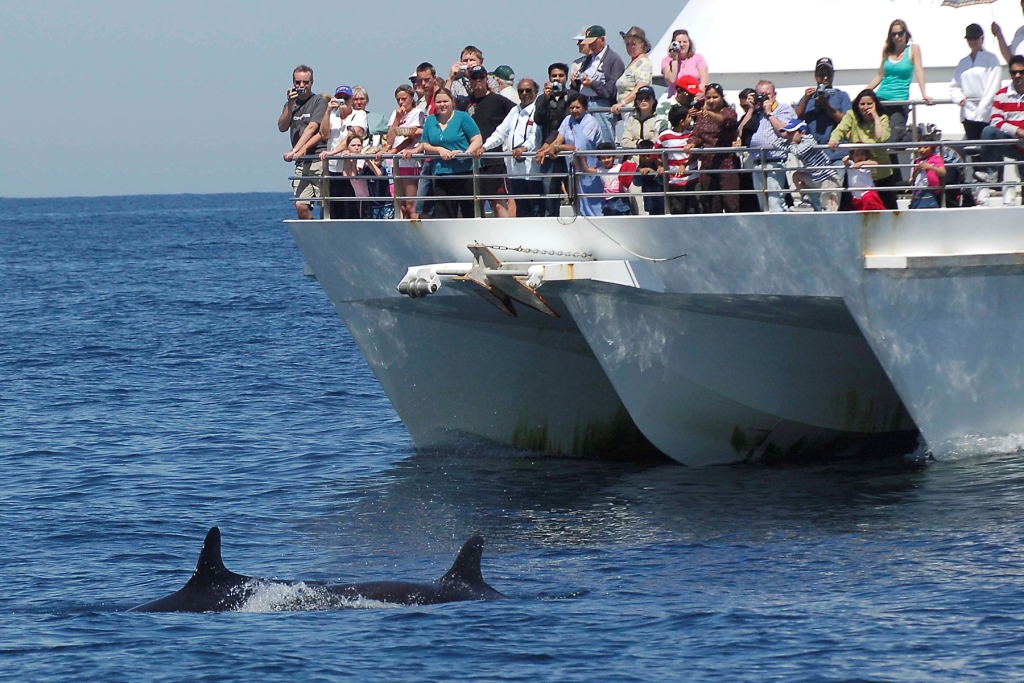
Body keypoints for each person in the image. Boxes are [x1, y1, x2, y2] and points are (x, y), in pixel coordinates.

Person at [867, 18, 933, 183]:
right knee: (880, 140)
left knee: (894, 140)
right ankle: (892, 180)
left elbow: (919, 71)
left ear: (906, 34)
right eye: (894, 34)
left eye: (900, 33)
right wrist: (864, 93)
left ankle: (915, 132)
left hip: (899, 101)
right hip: (881, 99)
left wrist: (924, 93)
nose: (897, 37)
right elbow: (880, 76)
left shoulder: (913, 49)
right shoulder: (887, 50)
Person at [410, 88, 483, 219]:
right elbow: (425, 144)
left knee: (471, 212)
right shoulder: (430, 120)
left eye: (445, 101)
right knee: (444, 214)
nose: (442, 105)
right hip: (441, 173)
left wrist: (465, 154)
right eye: (439, 102)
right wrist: (439, 150)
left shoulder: (463, 117)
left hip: (466, 172)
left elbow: (477, 139)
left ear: (452, 102)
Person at [478, 79, 543, 217]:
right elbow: (500, 132)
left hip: (532, 170)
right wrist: (484, 147)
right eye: (521, 91)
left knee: (535, 208)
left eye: (528, 90)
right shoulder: (515, 110)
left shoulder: (538, 110)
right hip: (515, 170)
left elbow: (535, 136)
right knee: (521, 207)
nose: (524, 94)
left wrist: (524, 148)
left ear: (536, 92)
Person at [830, 89, 897, 210]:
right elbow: (841, 129)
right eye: (862, 104)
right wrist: (834, 139)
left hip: (880, 173)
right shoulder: (852, 115)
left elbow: (882, 138)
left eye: (869, 104)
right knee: (848, 209)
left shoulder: (883, 118)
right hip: (857, 173)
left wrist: (875, 117)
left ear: (875, 104)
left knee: (887, 208)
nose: (866, 107)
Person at [538, 93, 603, 216]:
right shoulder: (568, 120)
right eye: (571, 107)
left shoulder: (590, 122)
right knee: (576, 200)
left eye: (577, 107)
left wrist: (557, 148)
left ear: (585, 108)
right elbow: (558, 139)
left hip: (589, 165)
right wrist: (546, 150)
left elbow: (579, 146)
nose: (574, 110)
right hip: (573, 166)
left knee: (590, 200)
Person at [465, 65, 516, 217]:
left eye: (481, 77)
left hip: (494, 160)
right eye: (474, 77)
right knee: (476, 201)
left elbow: (518, 115)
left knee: (497, 201)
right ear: (470, 80)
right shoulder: (466, 103)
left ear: (486, 79)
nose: (478, 81)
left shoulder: (498, 100)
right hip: (472, 162)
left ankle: (506, 230)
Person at [279, 64, 327, 220]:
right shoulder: (290, 105)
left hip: (318, 158)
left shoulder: (319, 101)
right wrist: (290, 104)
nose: (301, 86)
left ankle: (328, 231)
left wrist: (295, 150)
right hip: (301, 162)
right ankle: (313, 231)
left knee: (326, 204)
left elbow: (312, 128)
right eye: (298, 82)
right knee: (301, 205)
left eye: (305, 82)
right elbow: (282, 126)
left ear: (311, 82)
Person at [977, 55, 1024, 205]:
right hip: (1011, 143)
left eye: (1021, 72)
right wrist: (1017, 131)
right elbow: (996, 121)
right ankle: (990, 173)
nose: (1017, 76)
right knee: (988, 131)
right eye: (1014, 72)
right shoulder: (1001, 95)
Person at [534, 63, 578, 217]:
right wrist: (546, 100)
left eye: (560, 76)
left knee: (575, 191)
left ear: (566, 78)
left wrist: (550, 144)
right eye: (554, 76)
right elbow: (538, 119)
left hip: (567, 151)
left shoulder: (572, 96)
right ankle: (551, 222)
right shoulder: (542, 98)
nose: (557, 79)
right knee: (549, 193)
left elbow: (565, 123)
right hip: (549, 154)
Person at [748, 80, 797, 212]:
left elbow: (785, 132)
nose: (763, 98)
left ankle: (779, 225)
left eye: (766, 94)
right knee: (763, 205)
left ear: (774, 95)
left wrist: (769, 113)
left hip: (775, 162)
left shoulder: (783, 109)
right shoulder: (756, 113)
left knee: (775, 203)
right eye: (760, 95)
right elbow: (741, 132)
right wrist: (751, 109)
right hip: (757, 163)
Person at [690, 83, 739, 213]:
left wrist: (708, 113)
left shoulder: (729, 112)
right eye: (708, 98)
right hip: (708, 165)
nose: (711, 100)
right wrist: (691, 143)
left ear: (722, 98)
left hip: (726, 165)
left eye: (715, 97)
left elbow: (722, 120)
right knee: (712, 205)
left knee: (730, 203)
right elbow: (697, 134)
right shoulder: (702, 116)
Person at [379, 84, 426, 219]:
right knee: (401, 204)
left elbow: (411, 137)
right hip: (397, 162)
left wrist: (395, 150)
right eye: (398, 99)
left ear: (411, 98)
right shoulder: (396, 114)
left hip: (410, 161)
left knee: (411, 204)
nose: (401, 102)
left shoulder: (417, 113)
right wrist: (397, 120)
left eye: (404, 99)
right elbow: (389, 138)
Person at [572, 26, 626, 144]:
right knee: (584, 141)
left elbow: (611, 89)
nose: (591, 46)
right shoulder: (589, 59)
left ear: (602, 40)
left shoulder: (614, 59)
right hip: (585, 103)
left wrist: (592, 83)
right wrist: (576, 81)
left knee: (605, 141)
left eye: (593, 43)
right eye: (589, 43)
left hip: (601, 105)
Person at [950, 24, 1003, 142]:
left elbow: (993, 87)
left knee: (988, 147)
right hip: (968, 113)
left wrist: (981, 109)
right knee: (973, 148)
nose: (973, 41)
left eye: (975, 38)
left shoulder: (992, 59)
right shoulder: (963, 62)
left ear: (982, 38)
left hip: (988, 113)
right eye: (970, 38)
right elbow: (954, 87)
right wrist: (961, 100)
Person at [794, 58, 852, 163]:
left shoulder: (841, 96)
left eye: (828, 75)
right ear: (816, 76)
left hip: (837, 154)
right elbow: (796, 119)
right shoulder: (808, 97)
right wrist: (806, 100)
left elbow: (847, 121)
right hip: (813, 155)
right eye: (822, 75)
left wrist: (827, 106)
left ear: (833, 75)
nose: (825, 78)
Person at [774, 120, 840, 212]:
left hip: (828, 178)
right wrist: (787, 138)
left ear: (802, 133)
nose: (789, 135)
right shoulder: (794, 144)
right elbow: (776, 144)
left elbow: (798, 151)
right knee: (796, 175)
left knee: (830, 211)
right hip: (815, 178)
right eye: (788, 132)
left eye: (792, 132)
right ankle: (806, 201)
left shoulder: (809, 139)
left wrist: (790, 144)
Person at [330, 134, 388, 219]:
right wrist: (347, 160)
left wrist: (365, 160)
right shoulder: (349, 157)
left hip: (368, 197)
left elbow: (377, 174)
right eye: (353, 145)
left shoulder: (363, 158)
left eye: (359, 145)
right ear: (347, 147)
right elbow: (347, 176)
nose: (356, 148)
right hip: (357, 196)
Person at [657, 104, 701, 215]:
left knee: (695, 211)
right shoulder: (665, 136)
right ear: (682, 121)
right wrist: (661, 165)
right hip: (675, 182)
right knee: (677, 212)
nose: (690, 120)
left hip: (693, 179)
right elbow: (655, 153)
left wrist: (685, 164)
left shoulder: (692, 134)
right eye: (688, 117)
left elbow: (696, 154)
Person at [610, 27, 653, 117]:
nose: (630, 47)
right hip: (626, 110)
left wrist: (622, 102)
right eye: (628, 44)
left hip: (634, 110)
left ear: (642, 44)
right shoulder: (633, 63)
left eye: (633, 44)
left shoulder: (643, 63)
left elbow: (641, 86)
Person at [734, 87, 761, 213]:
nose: (744, 109)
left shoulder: (760, 115)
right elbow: (740, 132)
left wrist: (751, 109)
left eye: (746, 106)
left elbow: (743, 130)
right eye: (742, 106)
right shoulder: (745, 116)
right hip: (746, 161)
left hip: (757, 158)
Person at [661, 29, 708, 100]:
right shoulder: (666, 61)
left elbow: (704, 82)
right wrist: (675, 59)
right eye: (679, 42)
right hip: (675, 100)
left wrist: (695, 98)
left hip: (696, 99)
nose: (682, 44)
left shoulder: (698, 58)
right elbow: (672, 80)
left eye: (685, 42)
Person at [594, 142, 638, 216]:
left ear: (613, 157)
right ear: (600, 159)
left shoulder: (620, 167)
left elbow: (634, 168)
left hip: (621, 198)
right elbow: (587, 170)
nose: (606, 160)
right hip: (608, 200)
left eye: (609, 157)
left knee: (624, 216)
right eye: (603, 158)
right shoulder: (600, 170)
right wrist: (581, 157)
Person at [909, 135, 946, 210]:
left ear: (932, 148)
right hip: (918, 191)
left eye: (925, 147)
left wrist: (930, 167)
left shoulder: (936, 159)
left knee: (927, 209)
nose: (922, 150)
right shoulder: (918, 161)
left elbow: (943, 172)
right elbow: (914, 178)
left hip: (929, 191)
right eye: (919, 148)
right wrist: (918, 169)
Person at [351, 86, 390, 151]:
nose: (359, 102)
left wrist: (386, 149)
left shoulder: (378, 119)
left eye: (362, 99)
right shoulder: (345, 118)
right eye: (355, 99)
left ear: (367, 100)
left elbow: (394, 130)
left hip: (371, 155)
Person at [634, 139, 665, 215]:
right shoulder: (640, 167)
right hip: (650, 204)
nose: (646, 158)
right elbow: (637, 183)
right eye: (643, 156)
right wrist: (640, 173)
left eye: (648, 155)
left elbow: (664, 182)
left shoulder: (659, 165)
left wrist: (654, 173)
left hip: (663, 202)